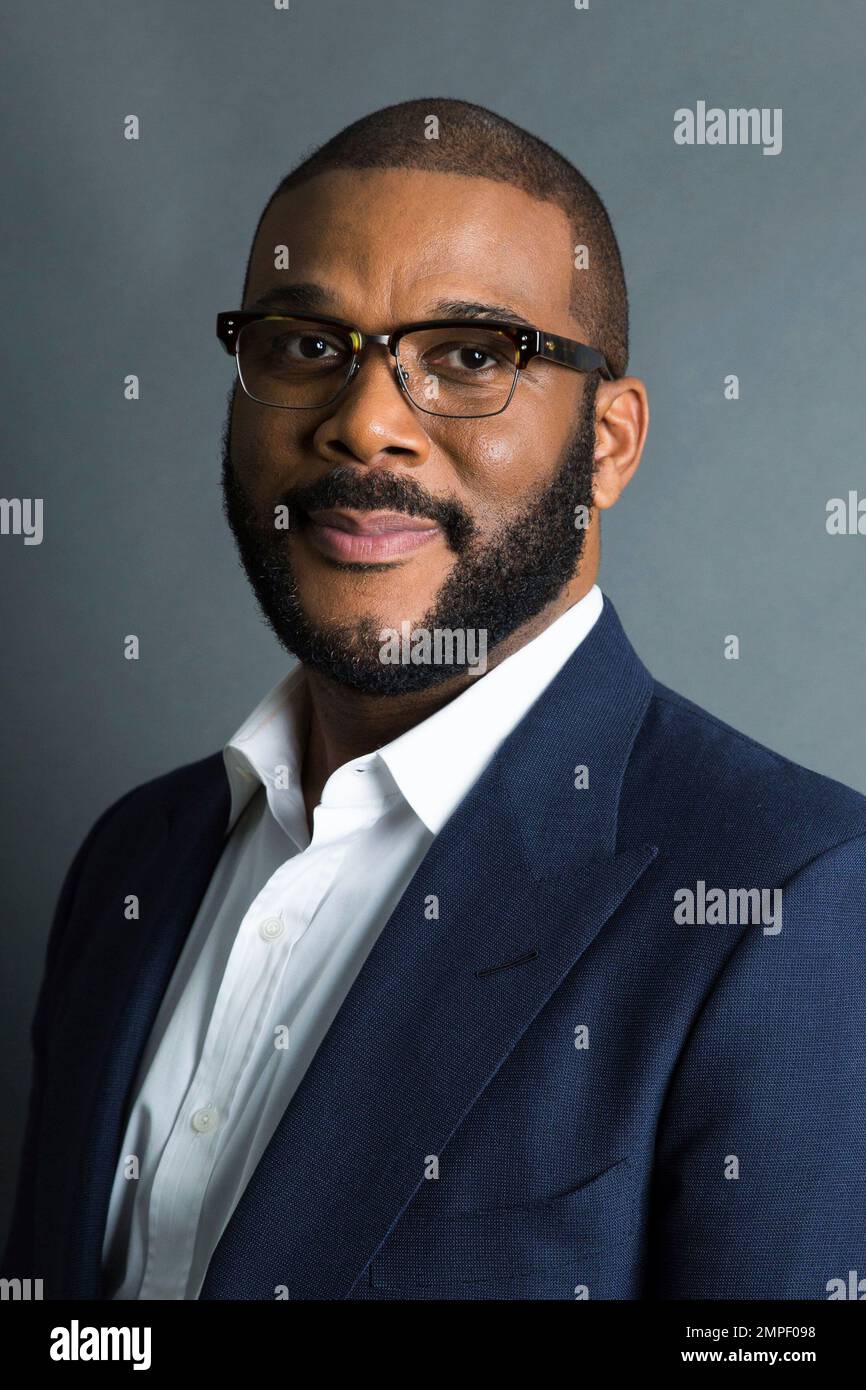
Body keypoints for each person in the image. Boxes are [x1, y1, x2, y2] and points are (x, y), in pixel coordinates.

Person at [4, 97, 865, 1301]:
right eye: (306, 348)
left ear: (608, 444)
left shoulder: (796, 900)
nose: (364, 423)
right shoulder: (136, 859)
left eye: (469, 357)